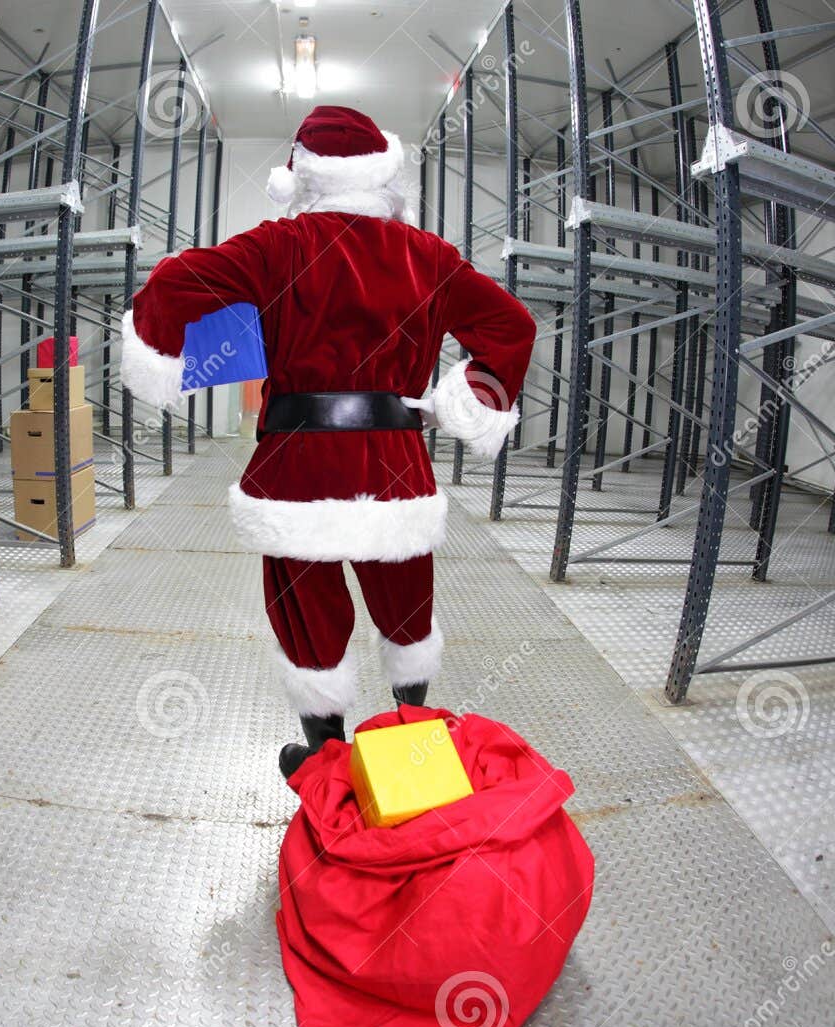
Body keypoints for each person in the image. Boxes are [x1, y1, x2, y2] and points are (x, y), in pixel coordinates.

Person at [121, 105, 535, 777]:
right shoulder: (427, 256)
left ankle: (325, 760)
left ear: (303, 176)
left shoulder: (276, 246)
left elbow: (172, 282)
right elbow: (512, 325)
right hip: (395, 467)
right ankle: (411, 756)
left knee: (306, 612)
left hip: (297, 467)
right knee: (406, 610)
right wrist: (467, 401)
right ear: (381, 175)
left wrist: (165, 356)